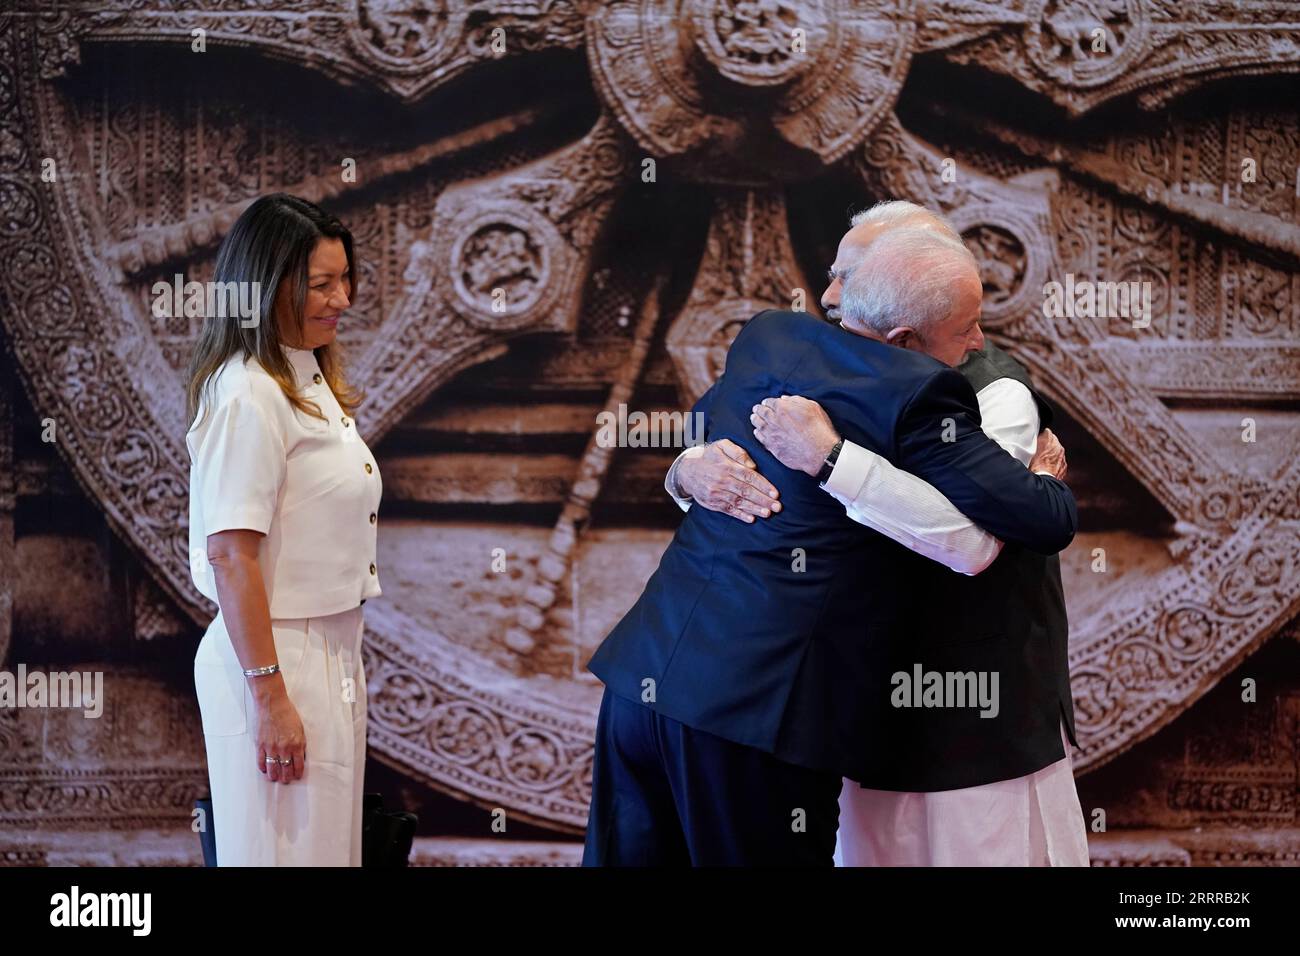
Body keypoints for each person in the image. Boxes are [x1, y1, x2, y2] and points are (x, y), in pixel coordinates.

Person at [582, 223, 1077, 865]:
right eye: (967, 328)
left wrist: (687, 465)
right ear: (907, 340)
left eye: (845, 273)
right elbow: (995, 537)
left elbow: (712, 428)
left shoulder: (769, 335)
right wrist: (1044, 482)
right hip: (753, 723)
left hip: (639, 687)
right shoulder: (917, 393)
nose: (981, 342)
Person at [185, 193, 382, 866]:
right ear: (267, 289)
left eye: (344, 279)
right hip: (277, 659)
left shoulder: (304, 377)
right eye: (322, 284)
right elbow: (230, 555)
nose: (343, 299)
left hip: (327, 651)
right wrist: (269, 694)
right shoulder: (247, 393)